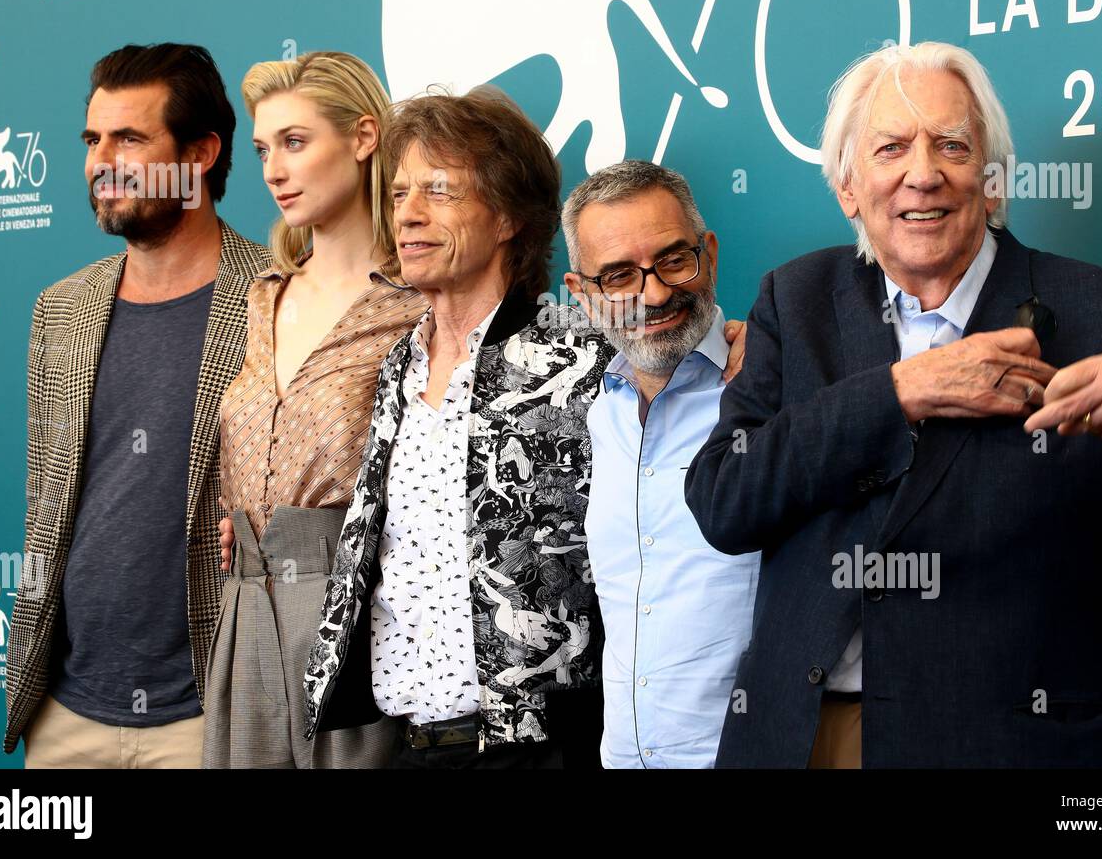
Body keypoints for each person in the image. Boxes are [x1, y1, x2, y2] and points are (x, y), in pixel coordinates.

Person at [685, 41, 1102, 768]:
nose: (924, 174)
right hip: (799, 740)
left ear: (993, 178)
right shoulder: (796, 300)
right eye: (891, 148)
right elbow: (725, 498)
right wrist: (900, 392)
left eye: (952, 144)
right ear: (849, 187)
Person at [293, 88, 748, 768]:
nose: (408, 215)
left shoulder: (588, 346)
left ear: (507, 214)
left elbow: (682, 336)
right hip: (404, 743)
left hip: (539, 746)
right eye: (398, 194)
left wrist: (747, 342)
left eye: (438, 192)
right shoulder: (399, 362)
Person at [5, 43, 271, 766]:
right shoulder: (59, 309)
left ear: (201, 151)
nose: (101, 160)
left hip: (208, 710)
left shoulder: (277, 297)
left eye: (129, 138)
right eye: (93, 139)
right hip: (66, 712)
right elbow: (45, 506)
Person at [202, 52, 426, 768]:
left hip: (357, 604)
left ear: (364, 137)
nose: (272, 170)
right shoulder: (260, 297)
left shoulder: (418, 301)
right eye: (265, 148)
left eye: (296, 143)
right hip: (244, 606)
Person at [561, 160, 759, 768]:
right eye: (619, 276)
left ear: (711, 255)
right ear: (583, 296)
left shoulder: (769, 392)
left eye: (674, 259)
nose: (654, 293)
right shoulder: (600, 414)